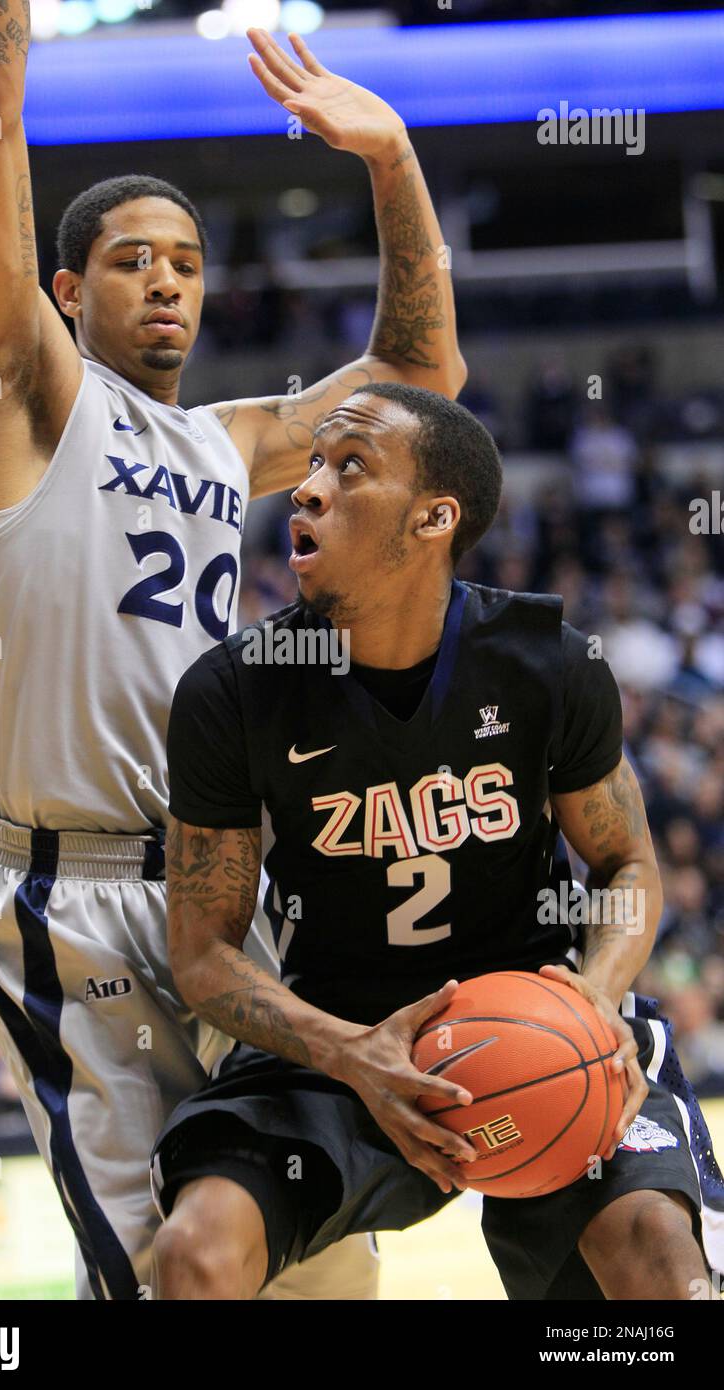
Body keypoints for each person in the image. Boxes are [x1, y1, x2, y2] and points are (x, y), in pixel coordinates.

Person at [0, 1, 465, 1301]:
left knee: (319, 1264)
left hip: (222, 894)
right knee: (167, 1277)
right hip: (71, 903)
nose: (168, 276)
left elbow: (423, 376)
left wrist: (392, 159)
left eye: (183, 257)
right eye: (130, 260)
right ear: (66, 292)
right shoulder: (26, 397)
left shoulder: (229, 441)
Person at [150, 383, 724, 1300]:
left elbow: (627, 865)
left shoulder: (550, 662)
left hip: (542, 1025)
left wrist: (598, 995)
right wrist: (350, 1052)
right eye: (308, 466)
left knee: (664, 1265)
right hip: (341, 1038)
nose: (305, 490)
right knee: (194, 1255)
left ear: (433, 518)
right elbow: (204, 953)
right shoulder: (233, 691)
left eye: (350, 468)